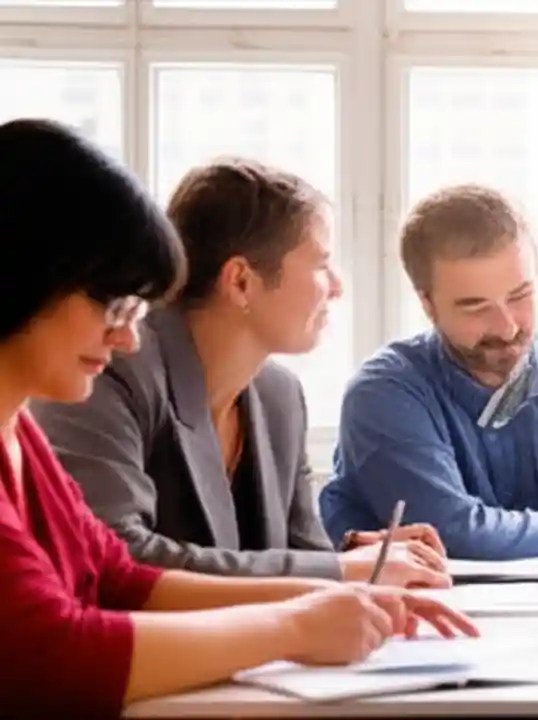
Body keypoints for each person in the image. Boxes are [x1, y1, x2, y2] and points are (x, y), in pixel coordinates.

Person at [0, 118, 476, 717]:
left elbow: (119, 579)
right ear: (25, 275)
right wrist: (292, 624)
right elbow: (55, 654)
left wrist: (340, 592)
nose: (127, 337)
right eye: (112, 301)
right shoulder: (107, 386)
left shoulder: (21, 440)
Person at [29, 157, 449, 587]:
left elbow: (301, 559)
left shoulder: (279, 398)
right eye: (322, 264)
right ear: (241, 281)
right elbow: (115, 557)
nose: (337, 286)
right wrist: (337, 571)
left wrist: (364, 563)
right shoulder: (108, 370)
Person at [320, 184, 538, 586]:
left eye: (521, 295)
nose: (506, 327)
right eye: (476, 307)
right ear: (428, 304)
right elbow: (454, 533)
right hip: (415, 623)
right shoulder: (383, 393)